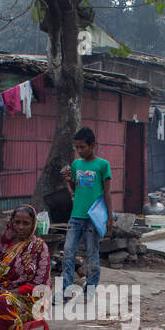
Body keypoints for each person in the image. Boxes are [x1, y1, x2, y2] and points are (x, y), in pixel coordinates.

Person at [59, 127, 113, 296]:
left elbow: (107, 193)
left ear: (92, 145)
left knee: (92, 254)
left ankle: (90, 289)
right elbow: (76, 189)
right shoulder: (76, 165)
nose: (79, 151)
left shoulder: (103, 165)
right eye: (77, 148)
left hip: (93, 218)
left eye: (82, 147)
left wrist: (110, 217)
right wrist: (69, 181)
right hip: (76, 216)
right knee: (68, 253)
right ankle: (65, 289)